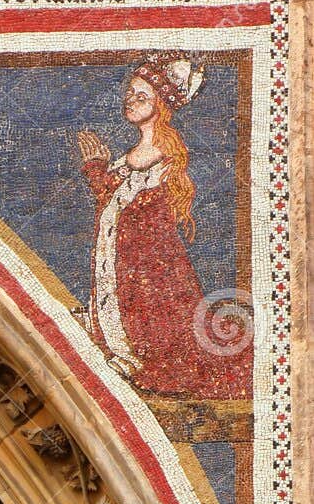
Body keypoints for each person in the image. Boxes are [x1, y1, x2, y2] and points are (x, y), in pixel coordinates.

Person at [77, 54, 252, 400]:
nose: (130, 101)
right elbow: (113, 203)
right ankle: (124, 352)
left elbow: (139, 214)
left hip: (150, 271)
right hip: (122, 264)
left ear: (160, 106)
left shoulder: (165, 153)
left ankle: (138, 358)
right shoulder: (128, 157)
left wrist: (101, 176)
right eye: (129, 94)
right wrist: (96, 169)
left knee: (159, 331)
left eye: (141, 96)